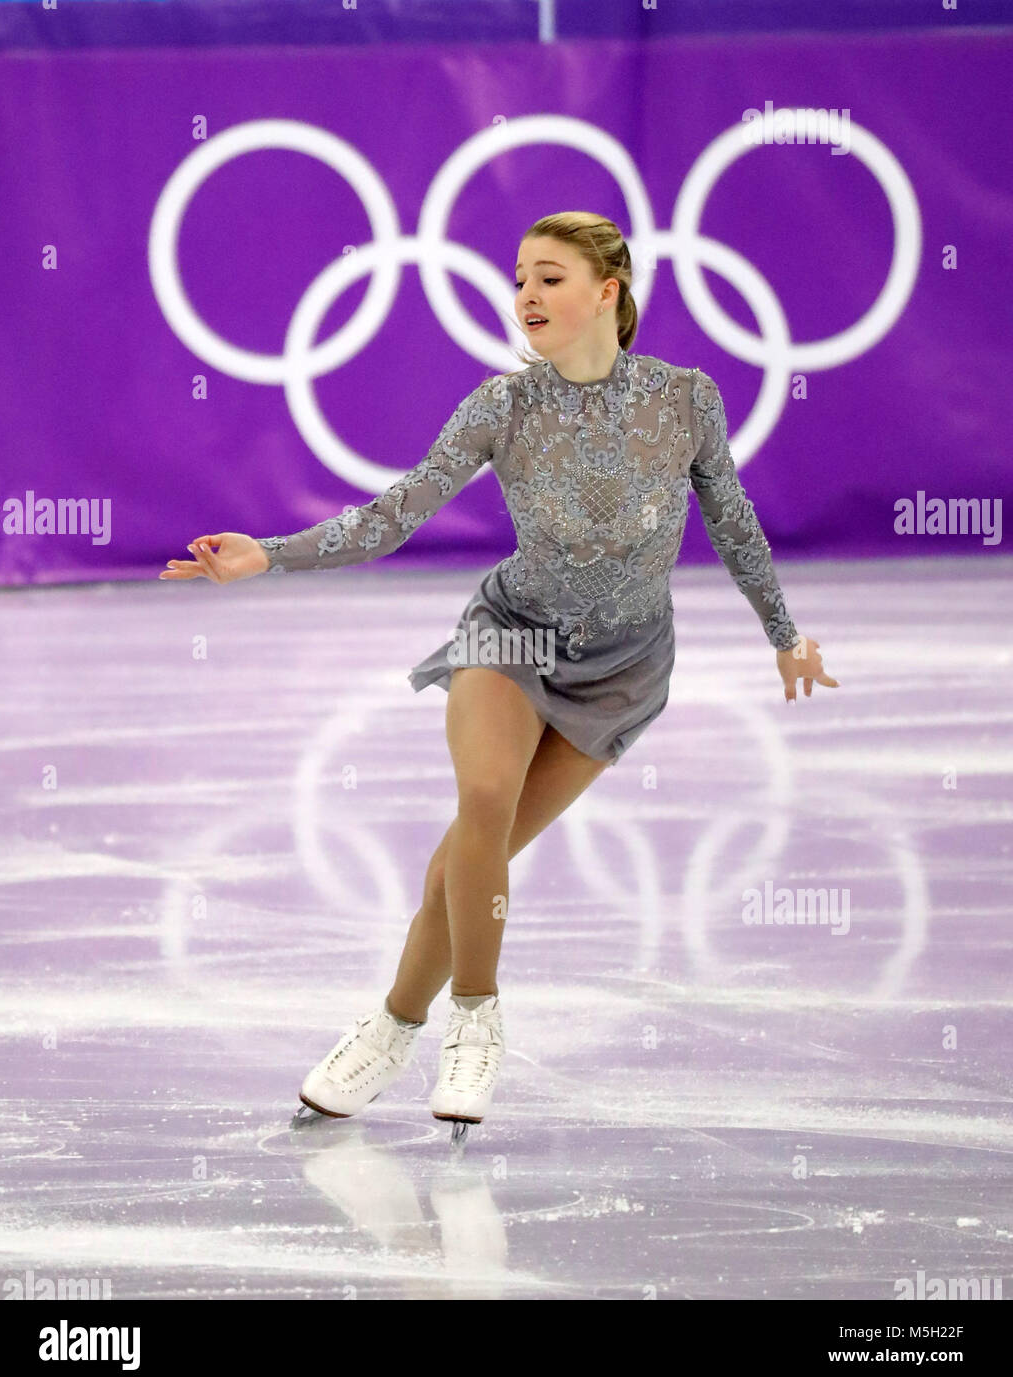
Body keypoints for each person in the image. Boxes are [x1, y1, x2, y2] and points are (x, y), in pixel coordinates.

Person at [159, 211, 838, 1137]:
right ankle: (476, 1020)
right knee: (484, 800)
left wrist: (785, 633)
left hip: (622, 672)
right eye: (519, 277)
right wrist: (266, 556)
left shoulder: (686, 400)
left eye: (550, 277)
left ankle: (392, 1026)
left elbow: (733, 520)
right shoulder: (503, 408)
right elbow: (393, 515)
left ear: (609, 290)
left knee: (461, 864)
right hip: (512, 635)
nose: (526, 294)